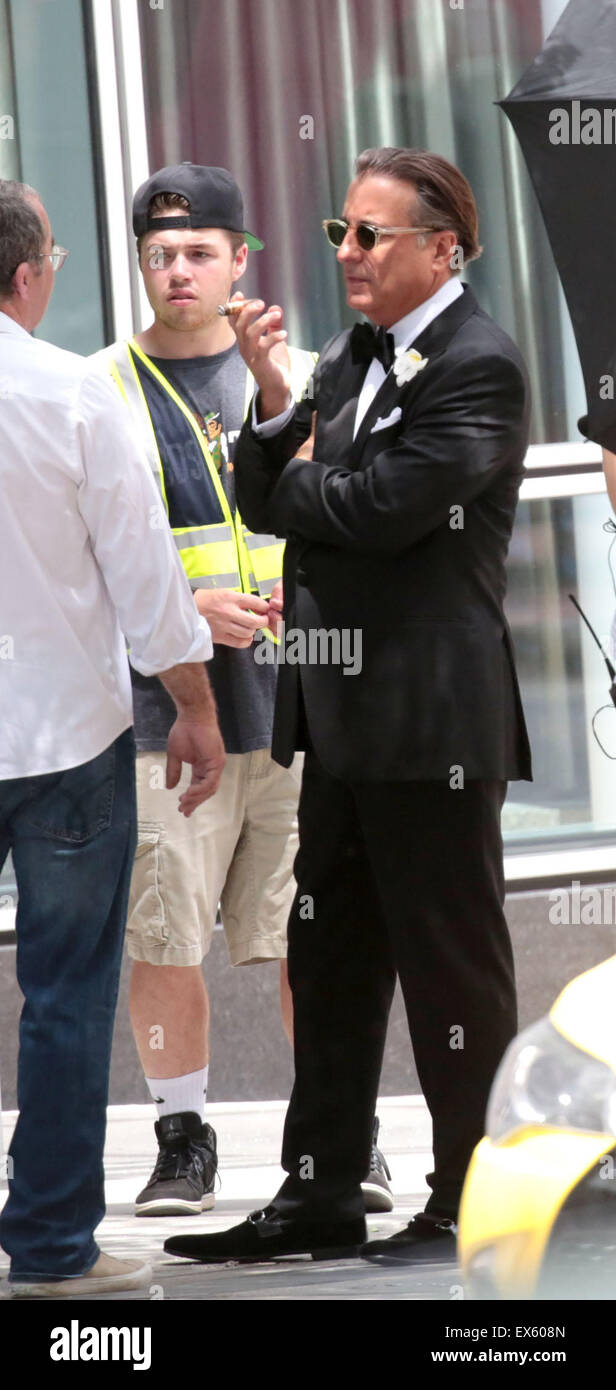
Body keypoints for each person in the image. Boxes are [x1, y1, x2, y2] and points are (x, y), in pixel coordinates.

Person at [163, 145, 532, 1269]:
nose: (347, 253)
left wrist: (312, 489)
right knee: (327, 963)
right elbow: (265, 489)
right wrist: (282, 406)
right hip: (340, 718)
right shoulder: (347, 353)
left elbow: (384, 508)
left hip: (432, 725)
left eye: (370, 235)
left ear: (442, 248)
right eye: (339, 232)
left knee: (449, 970)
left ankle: (474, 1197)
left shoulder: (481, 365)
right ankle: (319, 1189)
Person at [90, 165, 400, 1221]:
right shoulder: (102, 386)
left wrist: (280, 395)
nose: (177, 271)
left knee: (311, 934)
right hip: (162, 718)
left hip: (300, 707)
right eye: (158, 255)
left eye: (198, 252)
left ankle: (342, 1131)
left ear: (240, 262)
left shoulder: (303, 372)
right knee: (165, 931)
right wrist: (185, 601)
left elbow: (350, 513)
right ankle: (183, 1140)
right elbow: (79, 557)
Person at [0, 179, 225, 1297]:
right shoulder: (74, 394)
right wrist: (193, 703)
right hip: (67, 747)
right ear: (30, 275)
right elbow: (145, 578)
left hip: (62, 742)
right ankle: (47, 1246)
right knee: (67, 994)